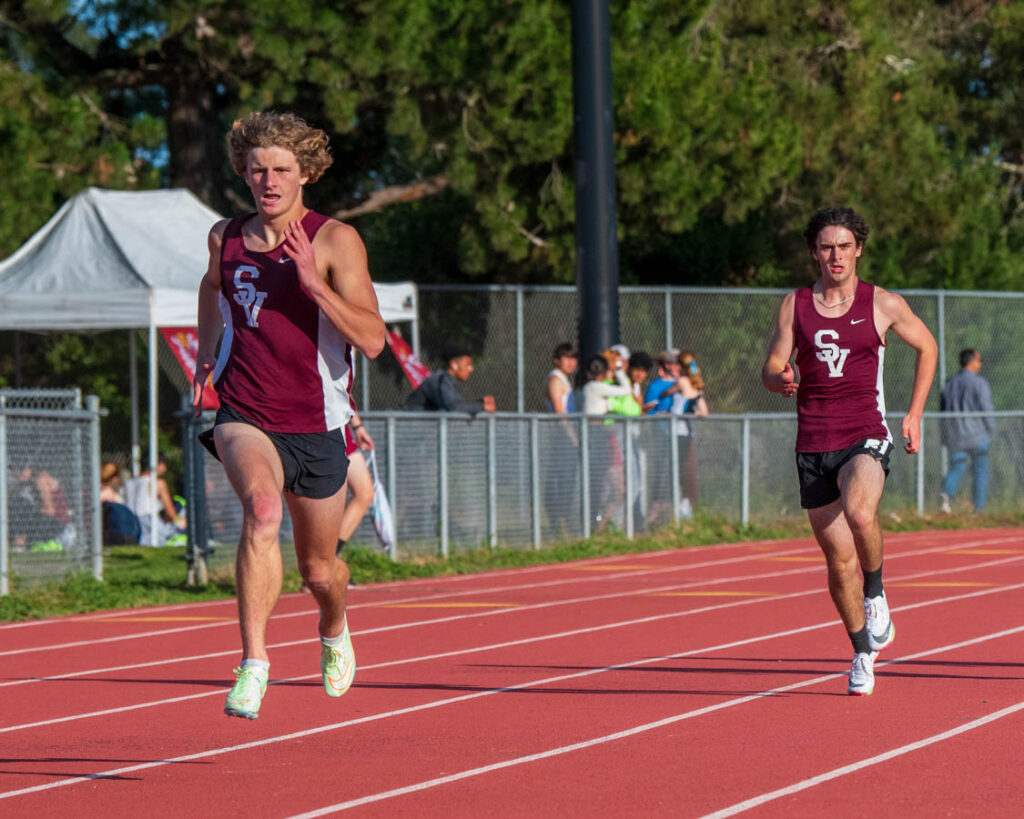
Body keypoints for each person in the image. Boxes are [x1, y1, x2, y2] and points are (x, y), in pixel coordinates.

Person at [192, 111, 386, 720]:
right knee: (262, 511)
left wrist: (316, 287)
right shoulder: (224, 236)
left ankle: (334, 625)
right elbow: (210, 289)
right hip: (245, 410)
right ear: (243, 175)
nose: (268, 180)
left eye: (280, 169)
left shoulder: (335, 241)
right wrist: (205, 350)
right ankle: (254, 664)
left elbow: (375, 341)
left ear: (305, 174)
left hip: (318, 424)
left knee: (319, 571)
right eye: (257, 169)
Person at [761, 206, 937, 696]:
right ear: (814, 252)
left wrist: (915, 412)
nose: (834, 255)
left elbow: (928, 347)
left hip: (866, 432)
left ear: (858, 248)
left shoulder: (882, 303)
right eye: (825, 247)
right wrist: (780, 377)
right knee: (838, 562)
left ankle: (876, 591)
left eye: (843, 246)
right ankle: (862, 651)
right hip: (814, 441)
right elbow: (771, 364)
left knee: (861, 513)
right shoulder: (794, 305)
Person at [939, 349, 994, 514]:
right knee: (980, 470)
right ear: (972, 362)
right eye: (979, 360)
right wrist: (990, 428)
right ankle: (979, 508)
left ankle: (946, 496)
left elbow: (942, 412)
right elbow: (986, 409)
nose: (981, 364)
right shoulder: (979, 383)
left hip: (955, 436)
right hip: (976, 435)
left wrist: (944, 436)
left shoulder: (949, 383)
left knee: (957, 466)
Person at [402, 345, 496, 414]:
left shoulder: (448, 381)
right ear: (454, 364)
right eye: (468, 364)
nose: (471, 369)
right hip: (405, 431)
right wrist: (482, 407)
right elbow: (453, 409)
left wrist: (480, 403)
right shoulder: (440, 380)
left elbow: (456, 405)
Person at [671, 350, 709, 519]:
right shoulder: (696, 385)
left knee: (675, 471)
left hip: (677, 434)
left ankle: (680, 507)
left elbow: (666, 393)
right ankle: (685, 506)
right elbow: (704, 412)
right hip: (687, 434)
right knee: (685, 472)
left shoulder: (682, 381)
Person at [123, 457, 185, 546]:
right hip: (149, 525)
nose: (165, 468)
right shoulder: (158, 483)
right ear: (156, 464)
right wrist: (179, 522)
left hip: (131, 524)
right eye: (163, 465)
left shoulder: (130, 482)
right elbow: (170, 511)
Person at [545, 342, 578, 414]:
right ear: (557, 360)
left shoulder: (562, 378)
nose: (572, 362)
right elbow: (559, 412)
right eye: (567, 358)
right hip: (559, 425)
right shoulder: (555, 380)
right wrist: (568, 425)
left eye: (574, 358)